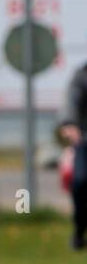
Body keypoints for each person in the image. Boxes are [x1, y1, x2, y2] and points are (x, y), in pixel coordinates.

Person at [58, 62, 87, 249]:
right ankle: (79, 230)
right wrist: (70, 123)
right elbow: (72, 101)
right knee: (80, 181)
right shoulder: (82, 75)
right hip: (85, 140)